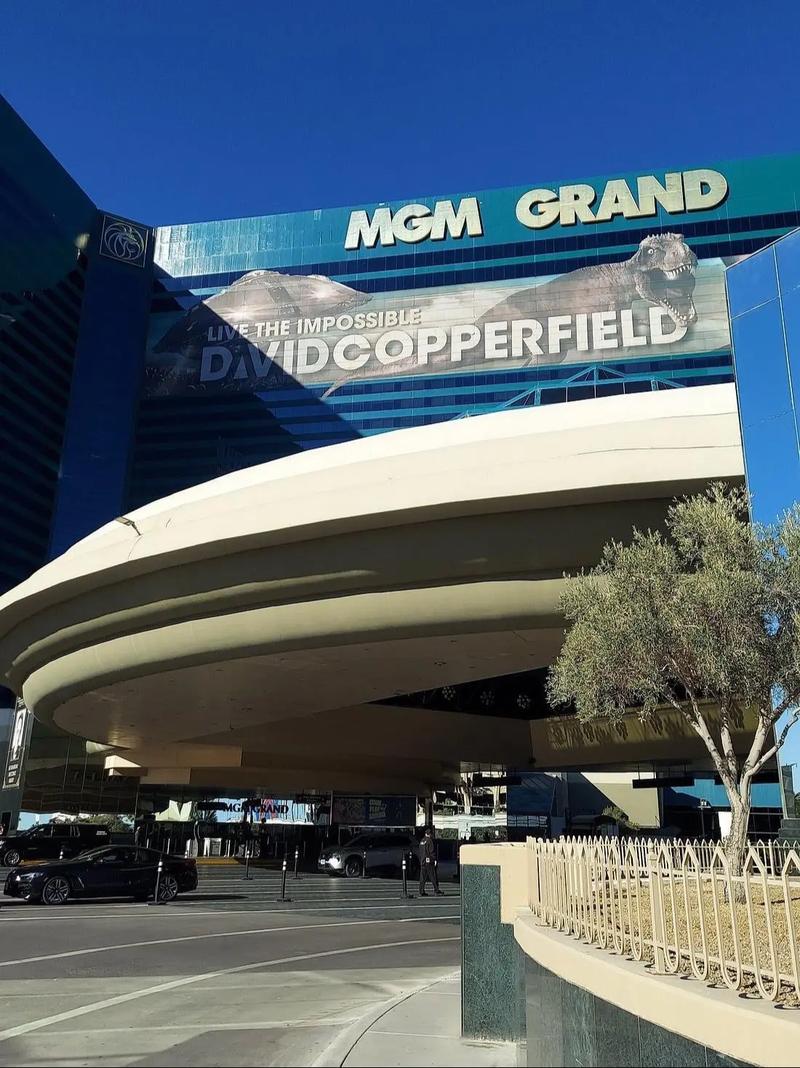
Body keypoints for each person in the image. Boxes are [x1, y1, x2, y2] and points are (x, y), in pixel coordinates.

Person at [418, 827, 444, 896]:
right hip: (429, 861)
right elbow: (431, 851)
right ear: (430, 834)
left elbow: (420, 852)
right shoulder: (430, 841)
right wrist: (434, 859)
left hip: (423, 861)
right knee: (433, 876)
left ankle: (421, 891)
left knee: (422, 877)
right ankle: (436, 890)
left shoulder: (422, 841)